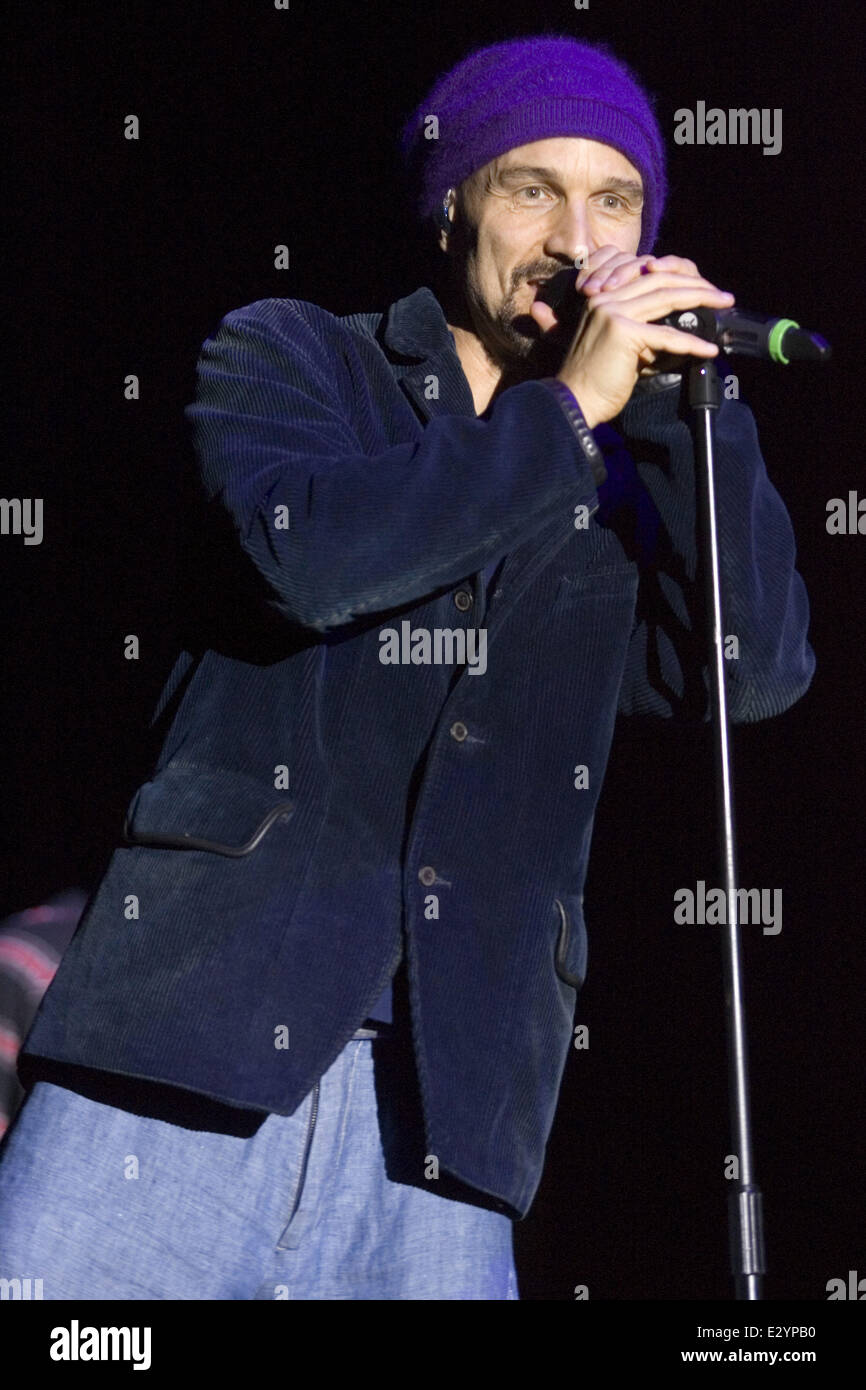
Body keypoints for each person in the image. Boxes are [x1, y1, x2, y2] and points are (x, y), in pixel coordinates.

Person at [0, 34, 814, 1300]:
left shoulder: (615, 494)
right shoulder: (294, 358)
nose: (572, 232)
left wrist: (681, 407)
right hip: (175, 1065)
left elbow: (750, 671)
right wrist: (565, 415)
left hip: (439, 1129)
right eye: (529, 187)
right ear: (450, 210)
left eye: (612, 200)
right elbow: (309, 557)